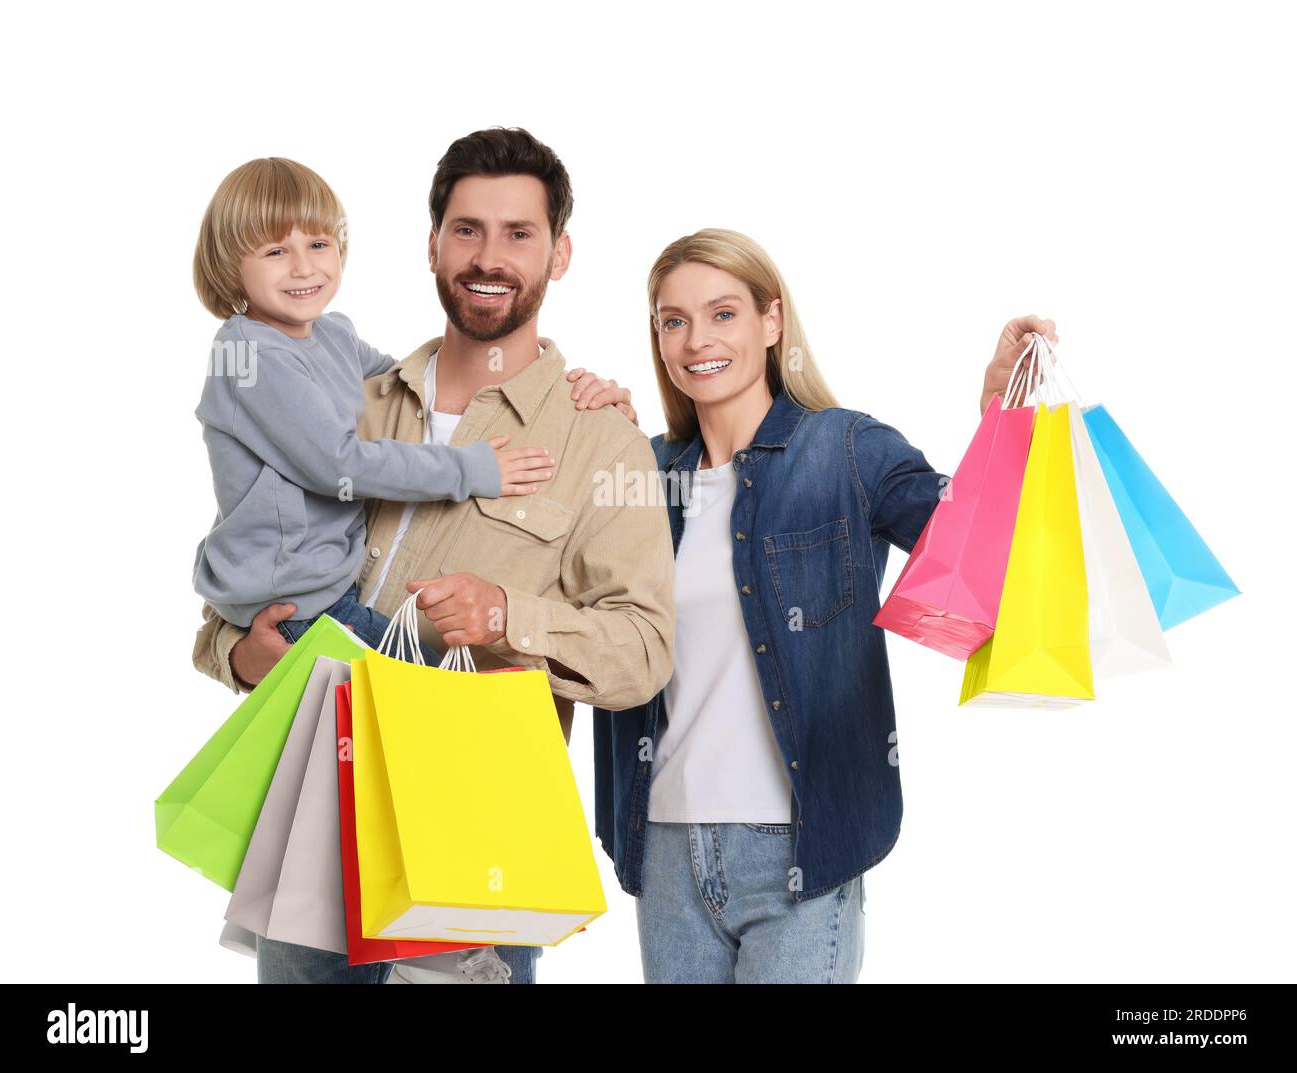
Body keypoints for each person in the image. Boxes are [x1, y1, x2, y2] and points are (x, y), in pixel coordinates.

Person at [194, 128, 675, 985]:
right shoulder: (348, 398)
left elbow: (644, 650)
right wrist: (237, 651)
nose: (489, 256)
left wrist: (505, 615)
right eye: (467, 229)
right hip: (314, 836)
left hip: (473, 845)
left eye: (519, 233)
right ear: (431, 245)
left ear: (559, 253)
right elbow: (254, 560)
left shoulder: (598, 437)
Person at [590, 227, 1057, 982]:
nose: (696, 340)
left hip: (800, 850)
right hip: (668, 846)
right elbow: (578, 610)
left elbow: (968, 556)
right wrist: (582, 435)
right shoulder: (643, 473)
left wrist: (996, 418)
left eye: (723, 314)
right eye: (673, 320)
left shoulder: (845, 450)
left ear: (772, 322)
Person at [191, 157, 556, 656]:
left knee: (417, 693)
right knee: (426, 687)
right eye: (276, 250)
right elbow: (338, 463)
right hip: (297, 601)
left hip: (329, 587)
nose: (303, 267)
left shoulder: (332, 333)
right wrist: (472, 469)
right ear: (231, 263)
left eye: (318, 244)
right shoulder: (250, 355)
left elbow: (404, 378)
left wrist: (550, 381)